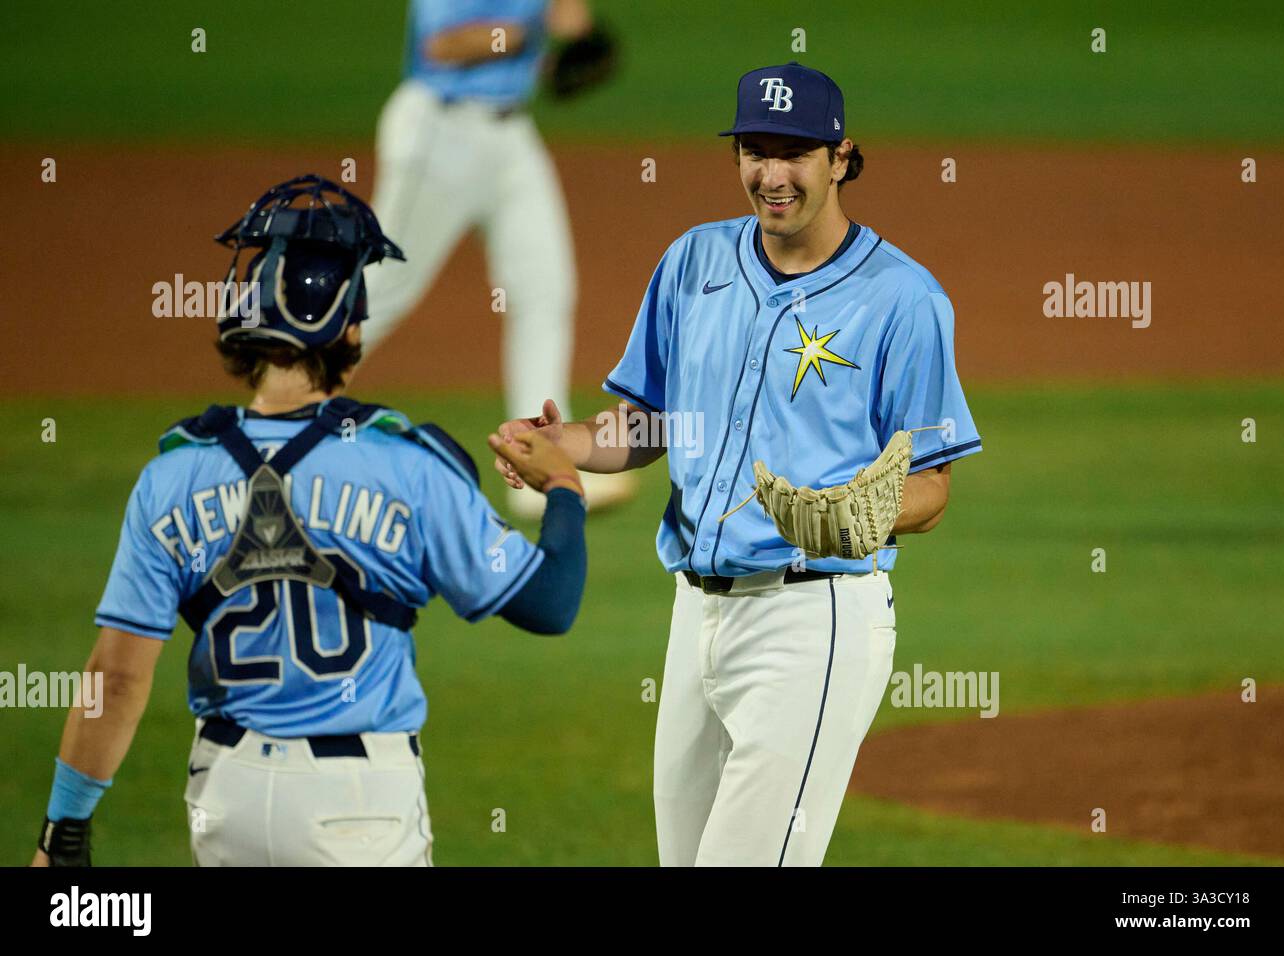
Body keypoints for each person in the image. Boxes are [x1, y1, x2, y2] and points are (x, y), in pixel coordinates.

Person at [493, 64, 983, 866]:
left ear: (841, 156)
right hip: (695, 619)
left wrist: (864, 514)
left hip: (811, 621)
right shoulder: (694, 261)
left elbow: (932, 484)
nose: (772, 174)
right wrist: (564, 447)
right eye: (755, 150)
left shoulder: (904, 300)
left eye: (794, 153)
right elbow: (649, 422)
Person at [33, 175, 587, 867]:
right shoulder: (405, 465)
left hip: (225, 799)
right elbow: (550, 603)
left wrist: (65, 835)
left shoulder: (171, 476)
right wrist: (563, 487)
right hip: (358, 808)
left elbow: (114, 680)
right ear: (349, 329)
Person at [363, 0, 634, 518]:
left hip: (510, 135)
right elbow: (442, 46)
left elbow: (554, 38)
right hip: (439, 134)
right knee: (376, 293)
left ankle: (537, 466)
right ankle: (278, 422)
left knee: (544, 289)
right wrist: (537, 25)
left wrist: (572, 40)